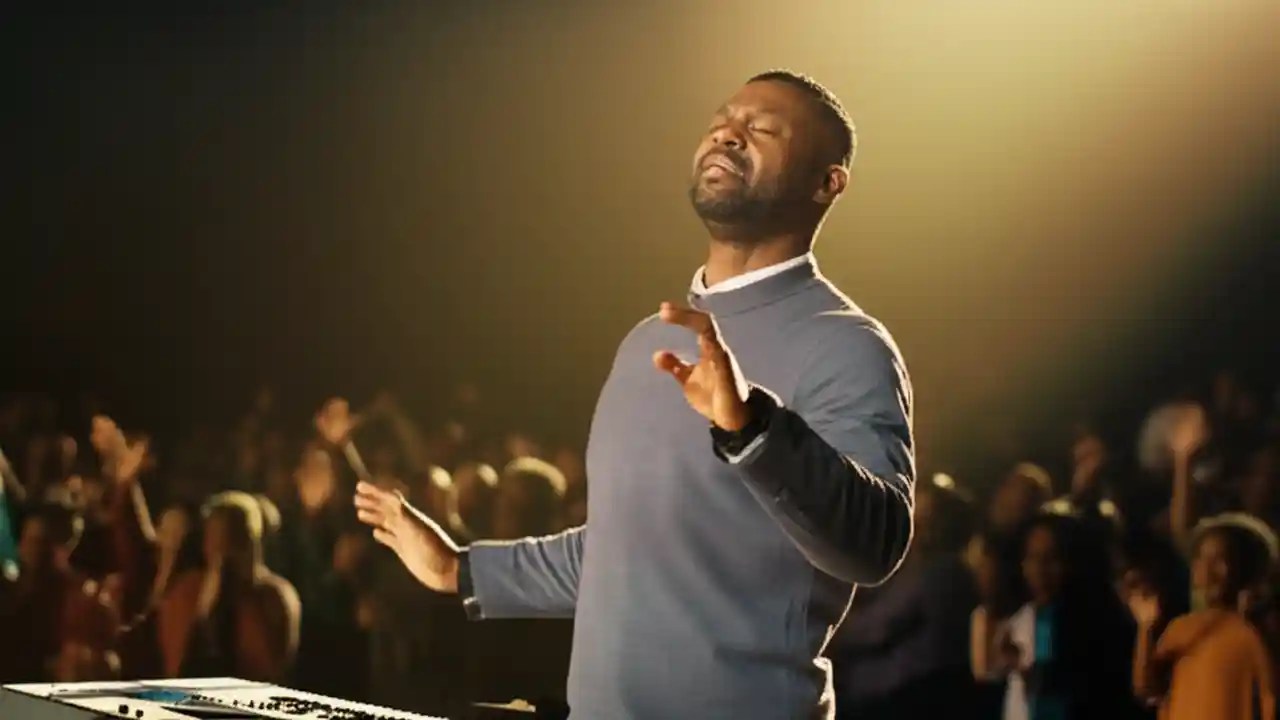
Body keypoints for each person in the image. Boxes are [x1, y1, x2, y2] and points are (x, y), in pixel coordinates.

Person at [331, 69, 915, 719]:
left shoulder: (846, 345)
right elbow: (622, 551)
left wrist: (753, 428)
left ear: (827, 182)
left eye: (763, 129)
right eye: (722, 120)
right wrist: (459, 570)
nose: (728, 134)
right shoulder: (648, 342)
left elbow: (876, 544)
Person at [1130, 513, 1276, 720]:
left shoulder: (1261, 630)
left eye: (1220, 559)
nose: (1207, 568)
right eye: (1200, 558)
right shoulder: (1183, 628)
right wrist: (1146, 627)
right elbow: (1147, 689)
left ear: (1246, 566)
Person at [157, 490, 300, 682]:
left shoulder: (274, 597)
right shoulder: (187, 590)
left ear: (252, 544)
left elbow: (268, 670)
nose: (223, 550)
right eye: (215, 538)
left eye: (233, 540)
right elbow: (176, 666)